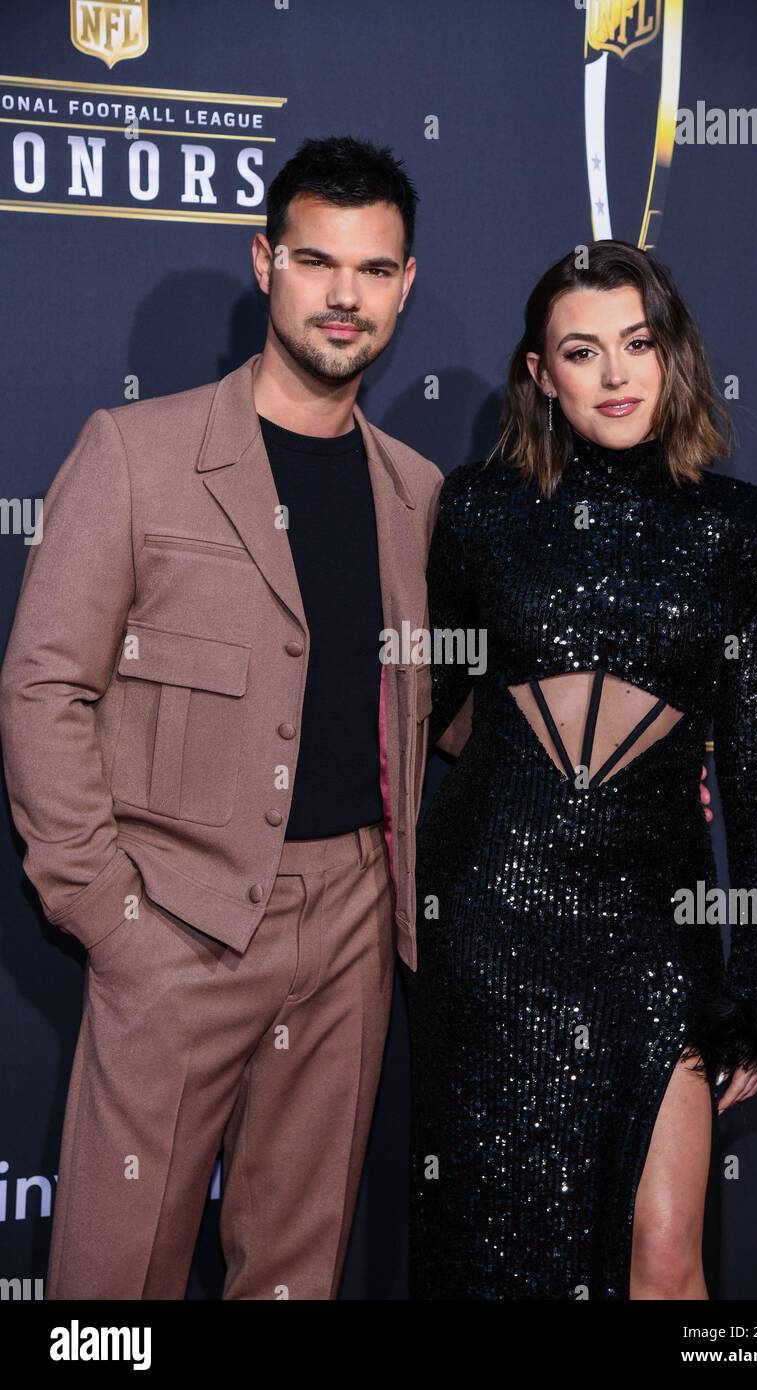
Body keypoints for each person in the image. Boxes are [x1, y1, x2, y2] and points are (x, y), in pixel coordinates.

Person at [0, 135, 442, 1299]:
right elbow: (46, 684)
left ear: (404, 285)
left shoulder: (417, 494)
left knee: (297, 1267)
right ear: (265, 265)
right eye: (316, 260)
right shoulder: (137, 455)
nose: (343, 295)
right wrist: (107, 910)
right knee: (113, 1280)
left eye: (373, 269)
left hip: (351, 926)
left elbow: (432, 712)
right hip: (180, 917)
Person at [404, 240, 757, 1300]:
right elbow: (437, 707)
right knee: (505, 1259)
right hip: (493, 920)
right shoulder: (480, 509)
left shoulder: (744, 530)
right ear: (540, 375)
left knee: (663, 1251)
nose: (613, 376)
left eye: (635, 344)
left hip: (656, 926)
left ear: (671, 352)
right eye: (580, 352)